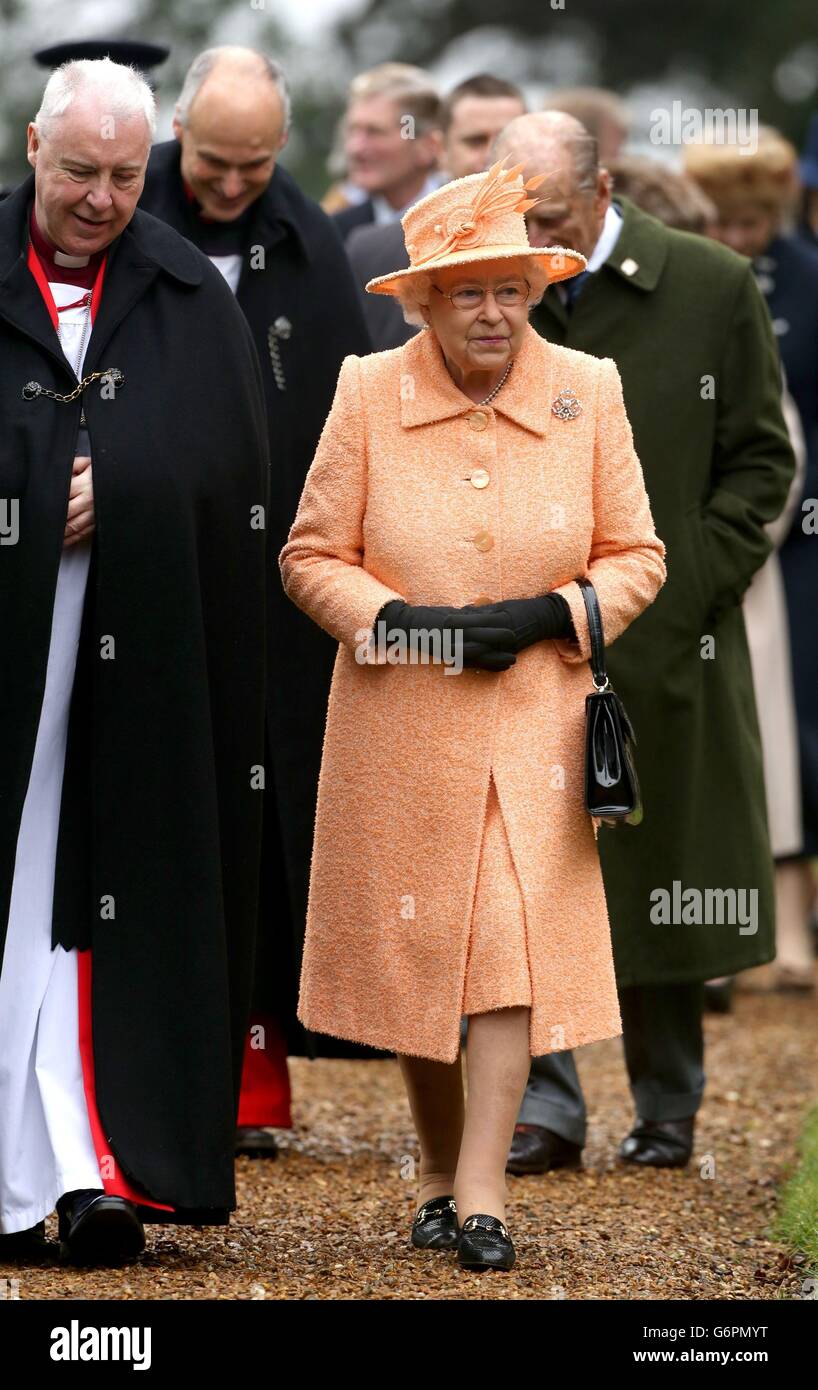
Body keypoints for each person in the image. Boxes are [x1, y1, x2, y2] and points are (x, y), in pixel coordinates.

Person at [279, 158, 666, 1271]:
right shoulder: (365, 390)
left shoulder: (585, 386)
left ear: (533, 290)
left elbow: (636, 554)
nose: (490, 311)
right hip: (399, 723)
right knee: (416, 959)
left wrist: (558, 610)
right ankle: (441, 1168)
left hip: (536, 718)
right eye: (465, 291)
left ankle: (483, 1193)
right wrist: (411, 625)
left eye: (507, 287)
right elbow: (309, 558)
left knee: (502, 950)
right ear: (423, 300)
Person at [491, 112, 795, 1175]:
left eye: (551, 217)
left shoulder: (708, 285)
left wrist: (692, 583)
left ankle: (668, 1105)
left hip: (671, 644)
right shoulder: (492, 289)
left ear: (602, 186)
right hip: (524, 636)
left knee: (668, 866)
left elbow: (759, 463)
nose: (532, 241)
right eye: (516, 216)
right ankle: (544, 1102)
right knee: (527, 875)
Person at [0, 58, 267, 1264]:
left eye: (123, 174)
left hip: (135, 662)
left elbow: (227, 473)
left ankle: (95, 1162)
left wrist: (131, 492)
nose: (103, 199)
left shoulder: (180, 291)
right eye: (78, 172)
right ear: (30, 148)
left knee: (98, 891)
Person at [139, 45, 373, 1159]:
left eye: (256, 165)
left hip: (275, 585)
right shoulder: (123, 207)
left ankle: (252, 1075)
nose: (231, 186)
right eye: (212, 161)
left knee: (261, 824)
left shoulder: (305, 236)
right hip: (147, 570)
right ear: (177, 130)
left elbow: (343, 410)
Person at [685, 130, 818, 990]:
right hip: (709, 536)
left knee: (789, 727)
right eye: (726, 220)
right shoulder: (692, 288)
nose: (743, 235)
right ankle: (709, 932)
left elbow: (790, 429)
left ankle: (789, 923)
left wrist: (758, 526)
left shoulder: (808, 278)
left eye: (757, 219)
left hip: (784, 541)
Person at [347, 74, 527, 351]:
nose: (493, 156)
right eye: (475, 141)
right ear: (439, 148)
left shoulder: (562, 243)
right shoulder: (370, 252)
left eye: (507, 141)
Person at [330, 63, 444, 241]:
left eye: (375, 132)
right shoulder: (336, 234)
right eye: (352, 131)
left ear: (428, 146)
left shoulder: (465, 221)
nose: (355, 148)